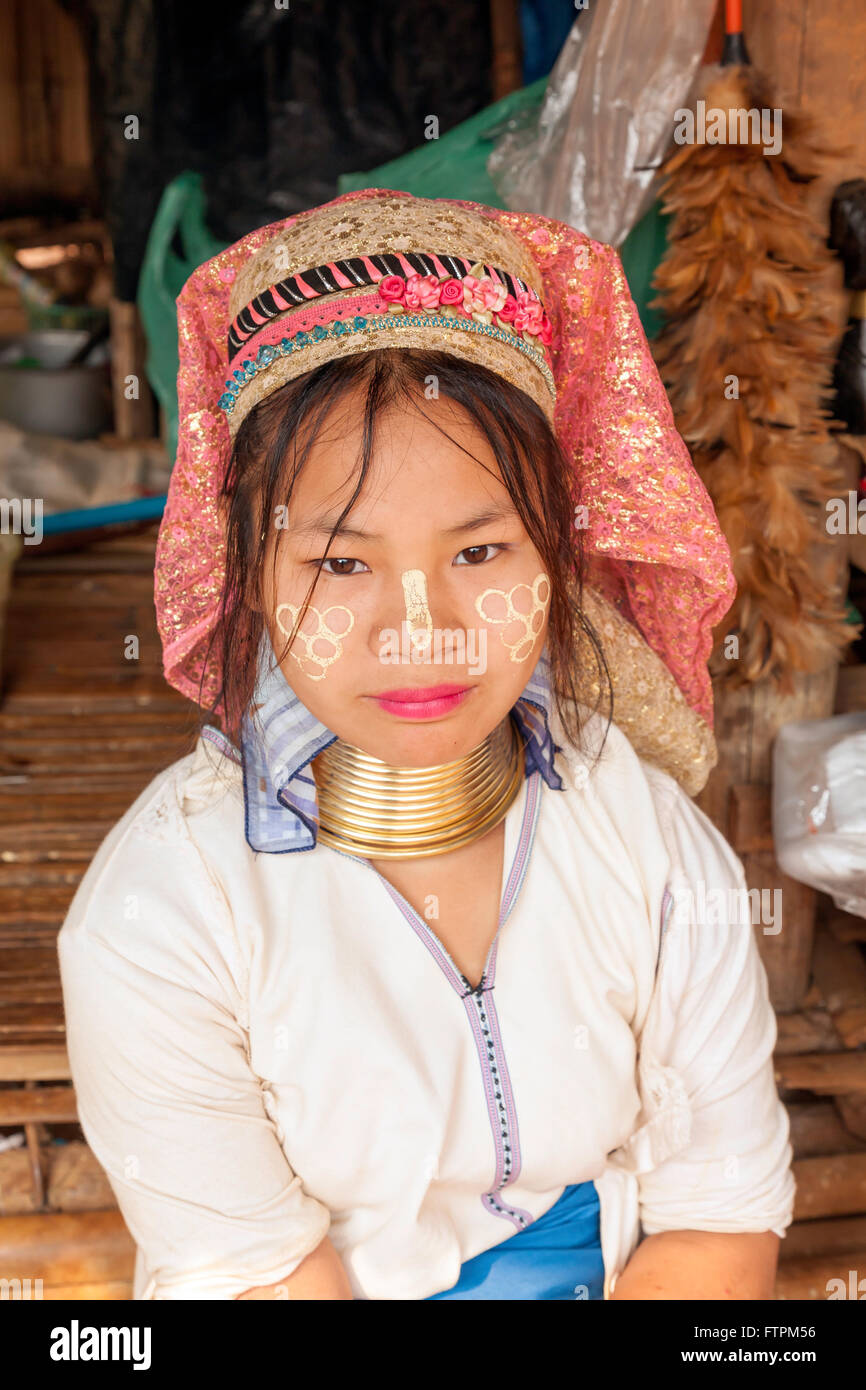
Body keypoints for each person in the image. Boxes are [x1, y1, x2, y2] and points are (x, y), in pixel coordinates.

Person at [57, 190, 795, 1301]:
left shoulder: (645, 843)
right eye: (342, 563)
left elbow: (715, 1221)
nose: (421, 627)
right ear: (246, 568)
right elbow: (265, 1275)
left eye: (482, 548)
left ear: (557, 548)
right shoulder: (160, 913)